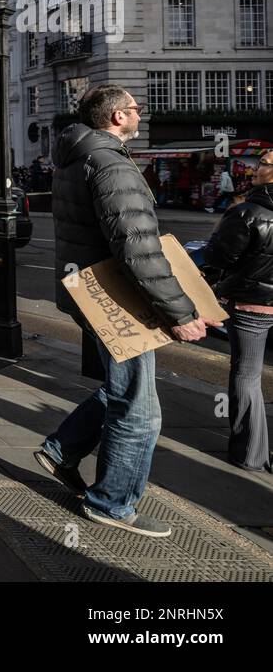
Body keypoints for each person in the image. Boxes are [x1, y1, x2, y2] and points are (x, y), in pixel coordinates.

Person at [36, 85, 218, 538]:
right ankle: (112, 502)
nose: (141, 114)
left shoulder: (76, 155)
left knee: (123, 390)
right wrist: (180, 311)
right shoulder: (111, 163)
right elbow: (137, 249)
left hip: (88, 292)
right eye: (136, 108)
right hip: (116, 299)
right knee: (140, 410)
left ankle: (62, 449)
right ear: (118, 117)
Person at [204, 150, 273, 472]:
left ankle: (250, 454)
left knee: (246, 374)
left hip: (252, 305)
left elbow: (219, 258)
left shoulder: (247, 212)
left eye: (264, 163)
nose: (257, 167)